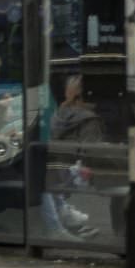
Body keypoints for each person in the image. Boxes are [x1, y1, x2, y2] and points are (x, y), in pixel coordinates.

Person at [43, 73, 99, 237]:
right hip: (62, 165)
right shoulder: (68, 112)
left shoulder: (68, 111)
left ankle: (61, 213)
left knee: (46, 174)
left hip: (63, 163)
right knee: (43, 175)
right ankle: (58, 220)